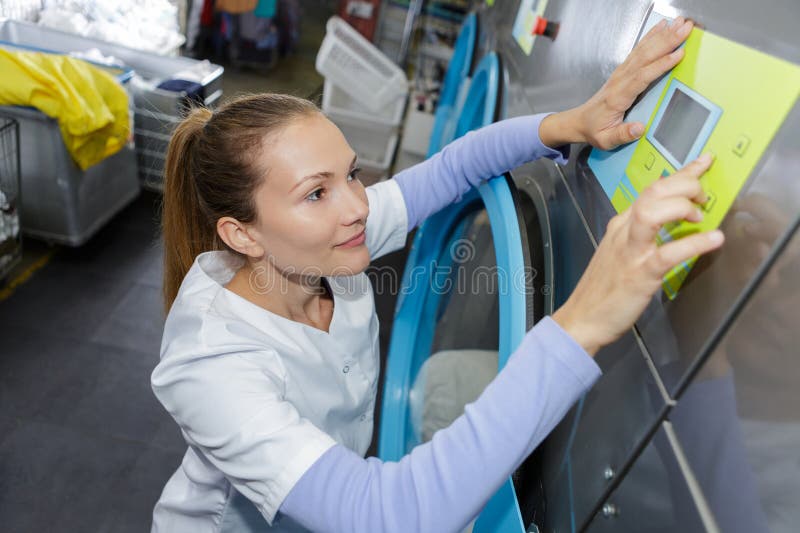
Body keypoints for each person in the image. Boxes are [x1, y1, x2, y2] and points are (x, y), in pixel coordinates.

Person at [151, 17, 723, 532]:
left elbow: (454, 167)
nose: (356, 205)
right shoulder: (212, 366)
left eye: (351, 175)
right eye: (316, 192)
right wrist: (583, 321)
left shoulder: (321, 243)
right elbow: (386, 516)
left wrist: (573, 121)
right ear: (242, 235)